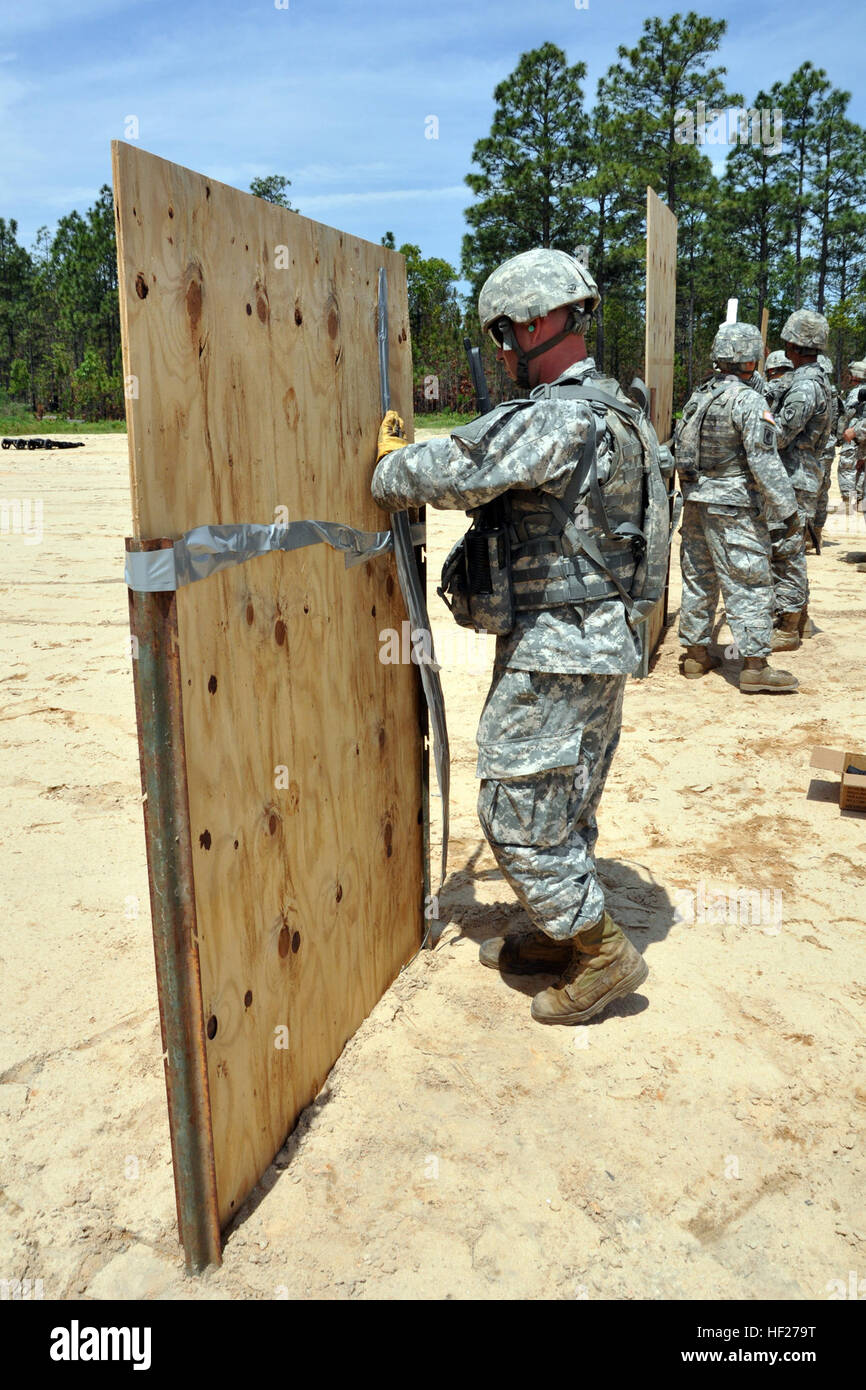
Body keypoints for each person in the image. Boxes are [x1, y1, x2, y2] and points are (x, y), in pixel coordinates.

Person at [371, 247, 658, 1026]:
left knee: (513, 800)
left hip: (561, 645)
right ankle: (552, 925)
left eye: (504, 334)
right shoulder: (616, 408)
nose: (501, 353)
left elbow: (455, 469)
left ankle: (598, 950)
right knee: (562, 795)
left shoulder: (560, 415)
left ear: (538, 322)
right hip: (594, 638)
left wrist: (393, 464)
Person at [675, 322, 800, 693]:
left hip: (697, 501)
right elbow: (764, 460)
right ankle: (755, 666)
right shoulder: (748, 400)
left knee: (698, 577)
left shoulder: (698, 397)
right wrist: (788, 510)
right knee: (749, 581)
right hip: (734, 506)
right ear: (750, 359)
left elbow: (682, 451)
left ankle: (696, 654)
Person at [769, 310, 833, 651]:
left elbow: (780, 435)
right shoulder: (813, 379)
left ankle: (787, 627)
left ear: (795, 345)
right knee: (790, 549)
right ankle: (801, 619)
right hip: (801, 476)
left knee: (786, 551)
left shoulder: (806, 386)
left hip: (794, 478)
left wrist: (759, 419)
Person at [811, 353, 842, 550]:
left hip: (814, 447)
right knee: (821, 489)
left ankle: (811, 532)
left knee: (812, 490)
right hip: (826, 446)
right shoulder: (833, 393)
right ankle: (816, 533)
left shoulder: (813, 389)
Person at [837, 359, 866, 516]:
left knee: (847, 467)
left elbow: (848, 413)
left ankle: (848, 504)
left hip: (855, 436)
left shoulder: (856, 392)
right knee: (860, 467)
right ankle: (860, 500)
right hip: (861, 437)